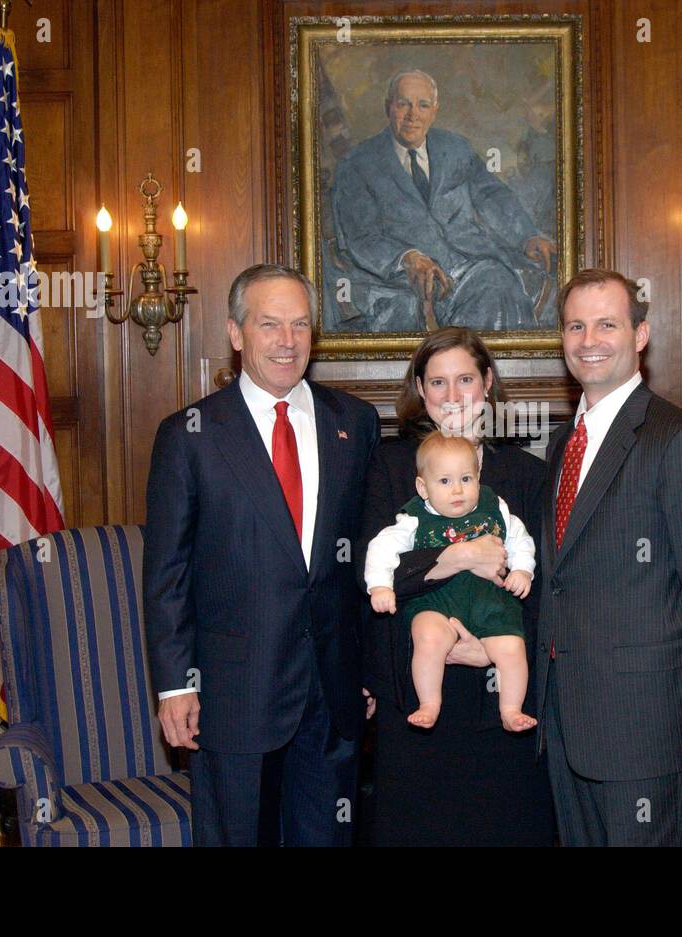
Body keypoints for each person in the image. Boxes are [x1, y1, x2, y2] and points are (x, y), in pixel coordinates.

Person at [143, 264, 379, 846]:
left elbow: (369, 557)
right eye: (270, 324)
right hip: (233, 690)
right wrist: (175, 685)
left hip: (332, 687)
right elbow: (166, 571)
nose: (288, 340)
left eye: (300, 325)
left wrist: (370, 667)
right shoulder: (190, 434)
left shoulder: (354, 422)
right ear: (236, 332)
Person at [537, 268, 682, 846]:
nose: (589, 340)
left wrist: (665, 650)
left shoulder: (678, 439)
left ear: (640, 336)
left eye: (607, 324)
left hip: (646, 720)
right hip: (564, 716)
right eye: (575, 326)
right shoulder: (563, 444)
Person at [356, 326, 555, 846]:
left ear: (487, 383)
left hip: (502, 700)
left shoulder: (527, 475)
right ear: (420, 391)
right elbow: (373, 574)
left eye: (465, 378)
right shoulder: (391, 468)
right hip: (416, 694)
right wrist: (456, 556)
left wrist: (489, 652)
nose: (452, 395)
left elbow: (547, 586)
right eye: (437, 382)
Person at [329, 69, 557, 332]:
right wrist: (407, 258)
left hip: (474, 263)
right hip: (404, 282)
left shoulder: (455, 148)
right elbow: (361, 237)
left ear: (434, 110)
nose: (413, 115)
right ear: (388, 107)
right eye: (403, 104)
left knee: (501, 286)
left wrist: (526, 237)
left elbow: (491, 195)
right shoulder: (357, 164)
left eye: (423, 105)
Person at [365, 432, 537, 732]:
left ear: (479, 477)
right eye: (444, 481)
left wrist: (522, 570)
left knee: (512, 647)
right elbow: (380, 548)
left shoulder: (495, 506)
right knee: (429, 638)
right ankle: (429, 702)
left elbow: (521, 539)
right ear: (423, 487)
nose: (457, 489)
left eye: (466, 479)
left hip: (490, 602)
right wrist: (379, 585)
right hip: (437, 602)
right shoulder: (413, 517)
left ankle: (511, 709)